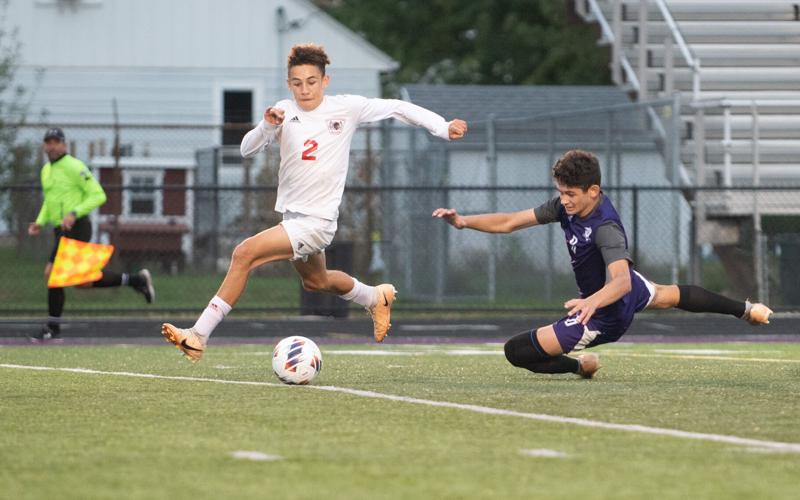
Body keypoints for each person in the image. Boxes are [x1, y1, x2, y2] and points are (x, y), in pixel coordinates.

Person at [161, 43, 467, 362]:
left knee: (244, 254)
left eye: (311, 81)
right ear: (289, 84)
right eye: (297, 83)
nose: (304, 89)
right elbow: (246, 150)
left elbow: (397, 107)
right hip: (293, 218)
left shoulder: (346, 108)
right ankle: (375, 297)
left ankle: (198, 336)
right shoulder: (283, 111)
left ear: (325, 81)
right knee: (316, 281)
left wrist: (442, 127)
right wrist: (267, 126)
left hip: (317, 222)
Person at [432, 149, 772, 379]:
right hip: (620, 291)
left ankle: (580, 366)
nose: (564, 200)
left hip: (606, 314)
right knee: (672, 295)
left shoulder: (605, 229)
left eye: (570, 194)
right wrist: (464, 222)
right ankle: (746, 310)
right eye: (561, 192)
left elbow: (620, 282)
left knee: (516, 351)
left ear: (593, 190)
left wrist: (591, 303)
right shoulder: (567, 207)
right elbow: (509, 221)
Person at [27, 127, 155, 343]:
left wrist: (74, 213)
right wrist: (39, 222)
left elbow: (98, 195)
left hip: (77, 227)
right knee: (83, 282)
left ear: (64, 145)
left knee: (53, 274)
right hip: (60, 230)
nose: (52, 146)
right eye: (48, 142)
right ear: (44, 146)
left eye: (56, 141)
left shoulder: (75, 166)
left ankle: (52, 328)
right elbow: (50, 201)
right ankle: (136, 280)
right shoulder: (46, 170)